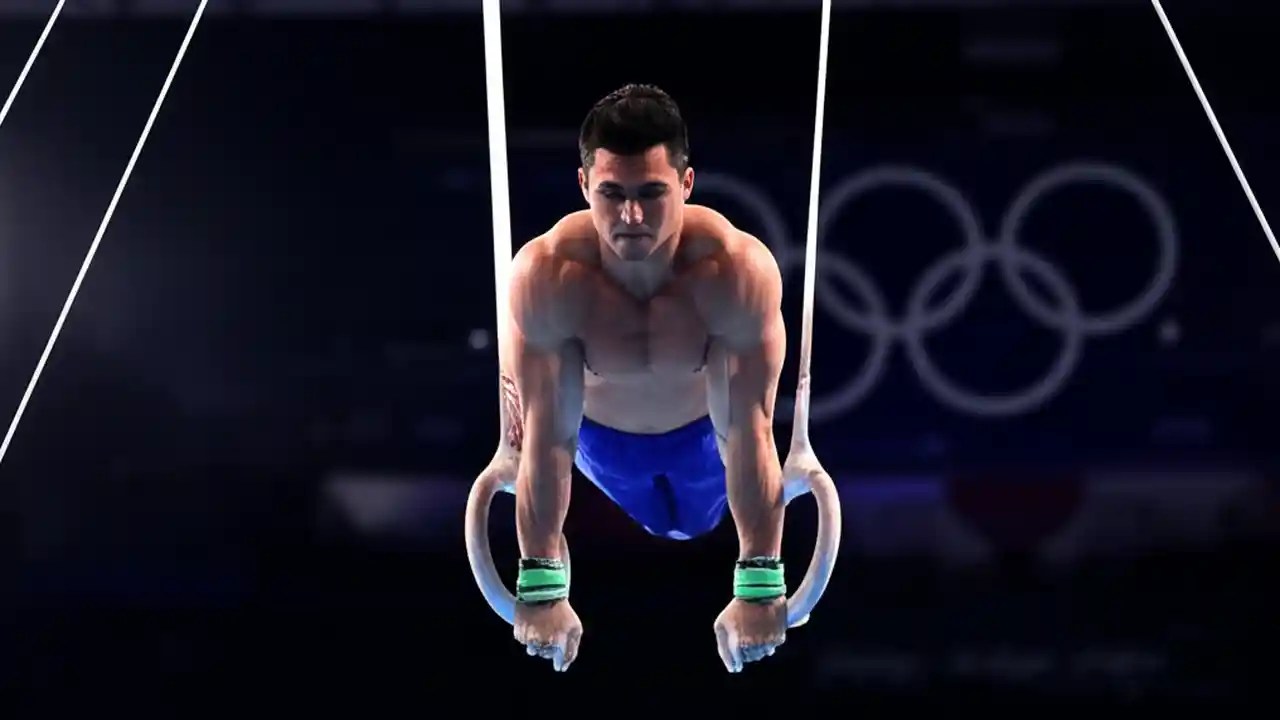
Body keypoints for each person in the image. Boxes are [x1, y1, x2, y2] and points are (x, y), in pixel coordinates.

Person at [498, 84, 794, 673]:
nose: (630, 216)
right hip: (600, 447)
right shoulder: (548, 277)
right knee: (545, 419)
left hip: (706, 442)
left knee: (704, 490)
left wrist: (760, 583)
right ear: (584, 185)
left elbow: (748, 431)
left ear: (686, 184)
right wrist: (541, 584)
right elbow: (550, 439)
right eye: (611, 194)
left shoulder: (735, 273)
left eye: (651, 193)